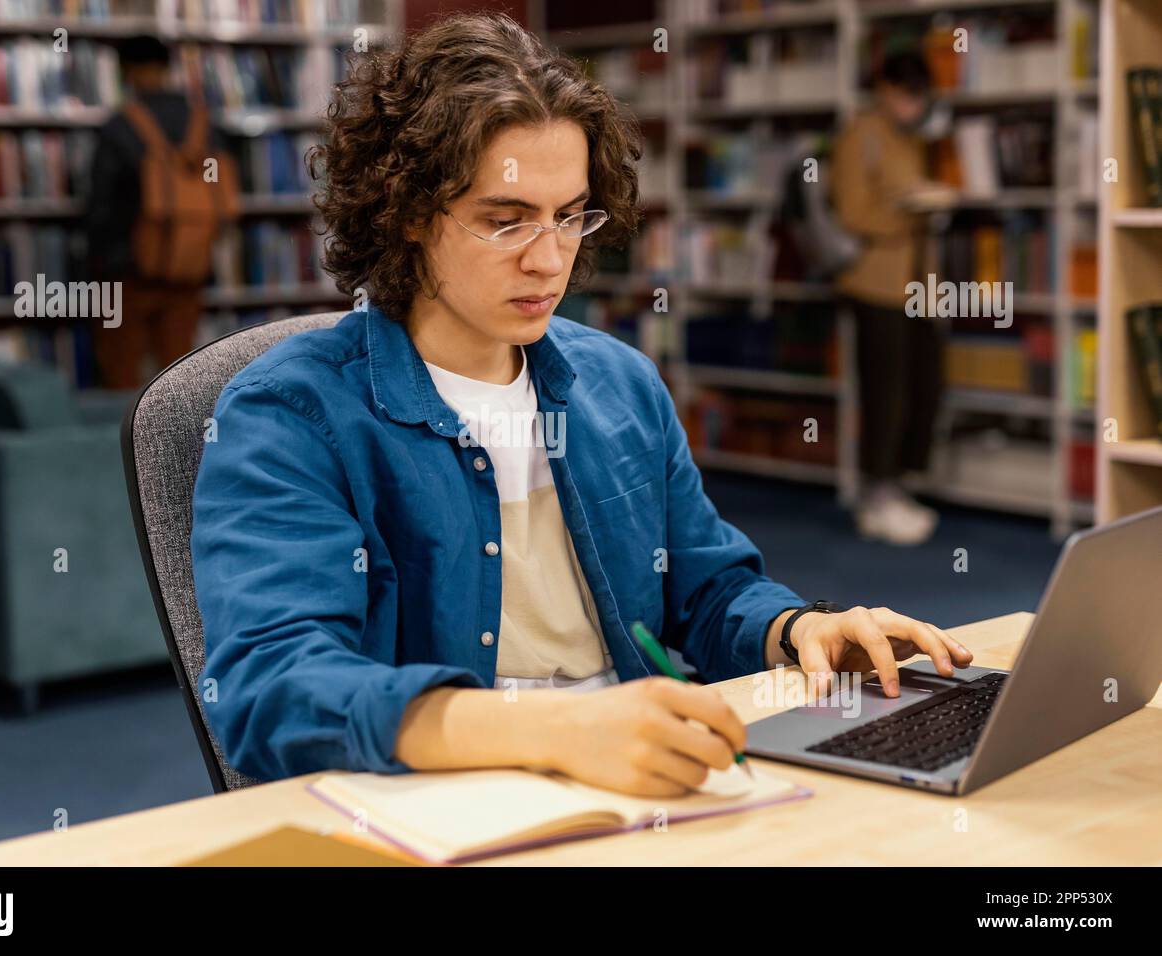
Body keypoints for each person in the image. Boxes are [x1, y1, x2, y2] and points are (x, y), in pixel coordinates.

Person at [190, 14, 973, 798]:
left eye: (570, 215)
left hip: (640, 777)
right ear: (408, 213)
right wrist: (554, 731)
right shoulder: (293, 413)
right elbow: (274, 690)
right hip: (446, 799)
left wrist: (799, 631)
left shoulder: (620, 384)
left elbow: (706, 593)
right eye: (506, 220)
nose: (549, 258)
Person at [832, 51, 951, 546]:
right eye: (905, 95)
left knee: (925, 384)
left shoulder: (914, 137)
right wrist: (912, 211)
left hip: (920, 281)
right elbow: (853, 212)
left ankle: (898, 485)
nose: (911, 105)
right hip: (876, 280)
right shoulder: (862, 133)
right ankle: (876, 495)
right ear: (885, 89)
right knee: (885, 391)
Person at [83, 34, 225, 388]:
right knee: (177, 379)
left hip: (127, 272)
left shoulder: (120, 126)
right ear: (167, 67)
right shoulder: (205, 124)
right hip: (189, 269)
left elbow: (100, 208)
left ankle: (118, 444)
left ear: (126, 72)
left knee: (123, 377)